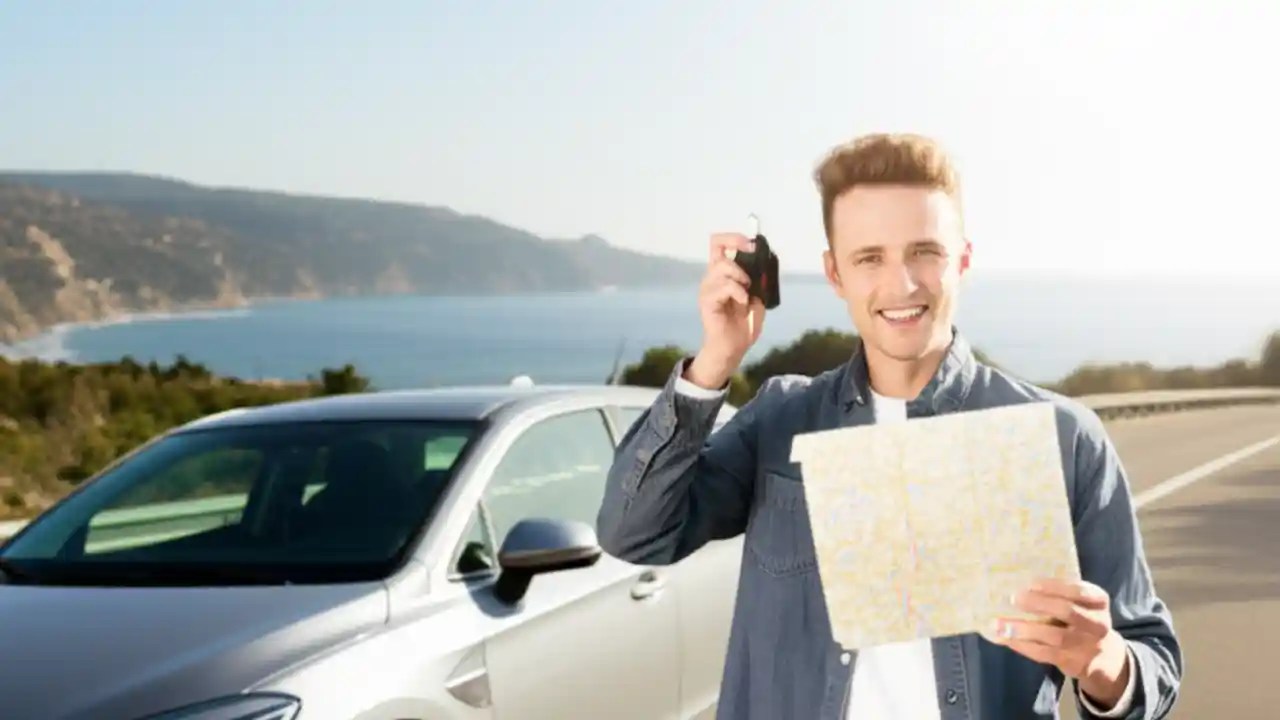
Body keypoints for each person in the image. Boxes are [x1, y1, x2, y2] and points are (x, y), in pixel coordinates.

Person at [596, 132, 1182, 719]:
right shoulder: (778, 420)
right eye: (869, 257)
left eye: (924, 251)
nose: (901, 285)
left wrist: (1104, 662)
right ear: (834, 274)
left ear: (963, 260)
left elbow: (1152, 664)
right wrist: (714, 363)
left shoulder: (1063, 437)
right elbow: (635, 533)